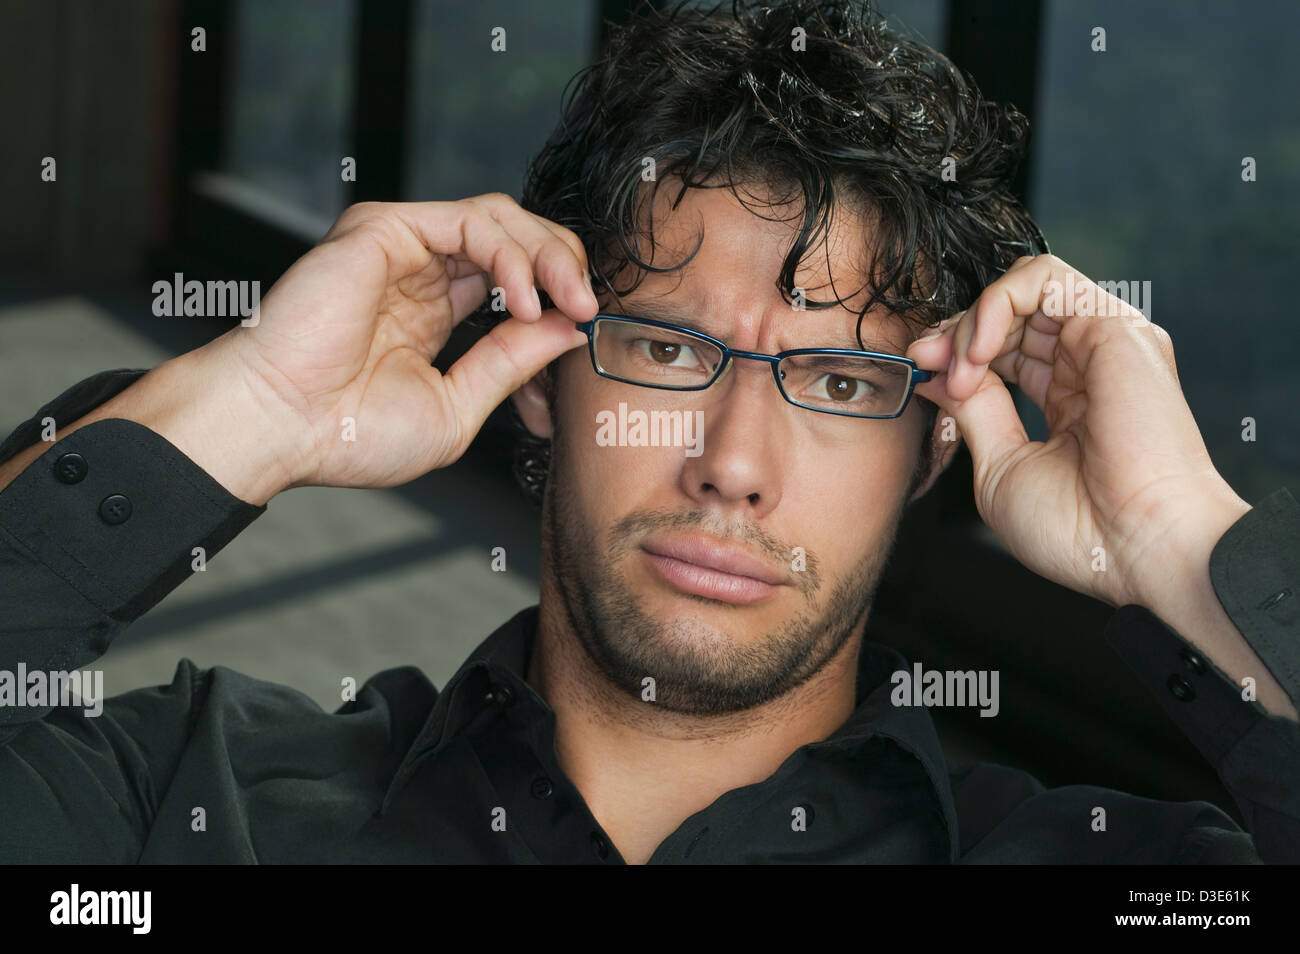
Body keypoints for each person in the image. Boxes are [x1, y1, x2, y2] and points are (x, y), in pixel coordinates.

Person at [1, 0, 1296, 864]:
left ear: (934, 448)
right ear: (538, 375)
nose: (733, 464)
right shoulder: (187, 802)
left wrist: (1179, 540)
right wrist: (257, 404)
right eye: (670, 351)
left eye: (842, 385)